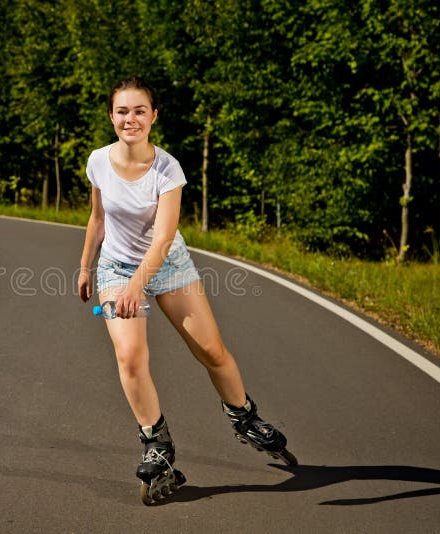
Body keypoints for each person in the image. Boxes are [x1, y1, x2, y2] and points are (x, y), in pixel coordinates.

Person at [78, 77, 293, 503]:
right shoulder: (98, 161)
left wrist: (138, 286)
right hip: (116, 267)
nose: (130, 119)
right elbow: (97, 219)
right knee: (130, 357)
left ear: (154, 116)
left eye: (140, 111)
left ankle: (243, 416)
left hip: (167, 265)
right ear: (111, 116)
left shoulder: (167, 169)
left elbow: (161, 240)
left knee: (212, 352)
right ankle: (156, 444)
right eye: (122, 111)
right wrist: (86, 267)